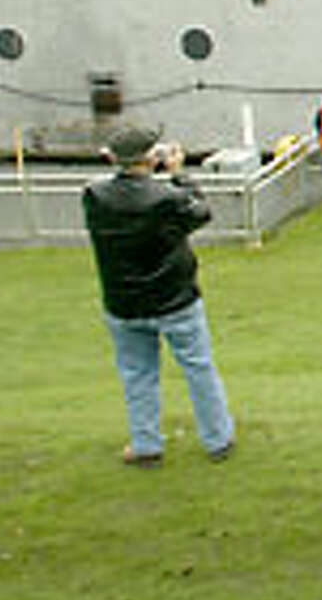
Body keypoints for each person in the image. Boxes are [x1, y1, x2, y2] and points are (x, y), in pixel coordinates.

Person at [82, 123, 236, 468]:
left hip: (124, 302)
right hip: (175, 297)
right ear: (150, 158)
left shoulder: (94, 196)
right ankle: (218, 438)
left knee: (138, 373)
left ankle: (146, 443)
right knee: (199, 367)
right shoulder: (167, 199)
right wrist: (180, 175)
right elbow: (201, 211)